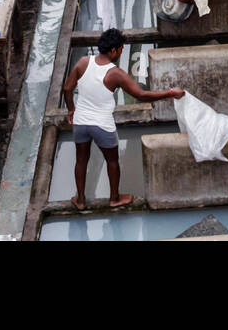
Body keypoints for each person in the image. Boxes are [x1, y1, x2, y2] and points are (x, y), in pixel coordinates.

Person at [63, 28, 184, 209]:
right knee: (112, 161)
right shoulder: (115, 74)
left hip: (81, 122)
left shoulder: (82, 62)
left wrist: (72, 110)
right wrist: (170, 93)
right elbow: (142, 95)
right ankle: (114, 198)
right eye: (120, 49)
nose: (121, 52)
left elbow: (67, 89)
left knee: (81, 160)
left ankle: (80, 200)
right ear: (113, 50)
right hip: (102, 125)